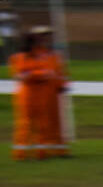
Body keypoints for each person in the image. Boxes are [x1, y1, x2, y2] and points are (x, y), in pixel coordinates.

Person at [8, 26, 69, 160]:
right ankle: (21, 152)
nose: (45, 39)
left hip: (50, 93)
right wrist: (42, 75)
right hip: (30, 93)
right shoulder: (24, 56)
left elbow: (59, 72)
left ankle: (48, 151)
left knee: (48, 123)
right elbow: (22, 75)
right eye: (42, 36)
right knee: (26, 123)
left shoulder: (52, 55)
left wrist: (62, 84)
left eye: (47, 35)